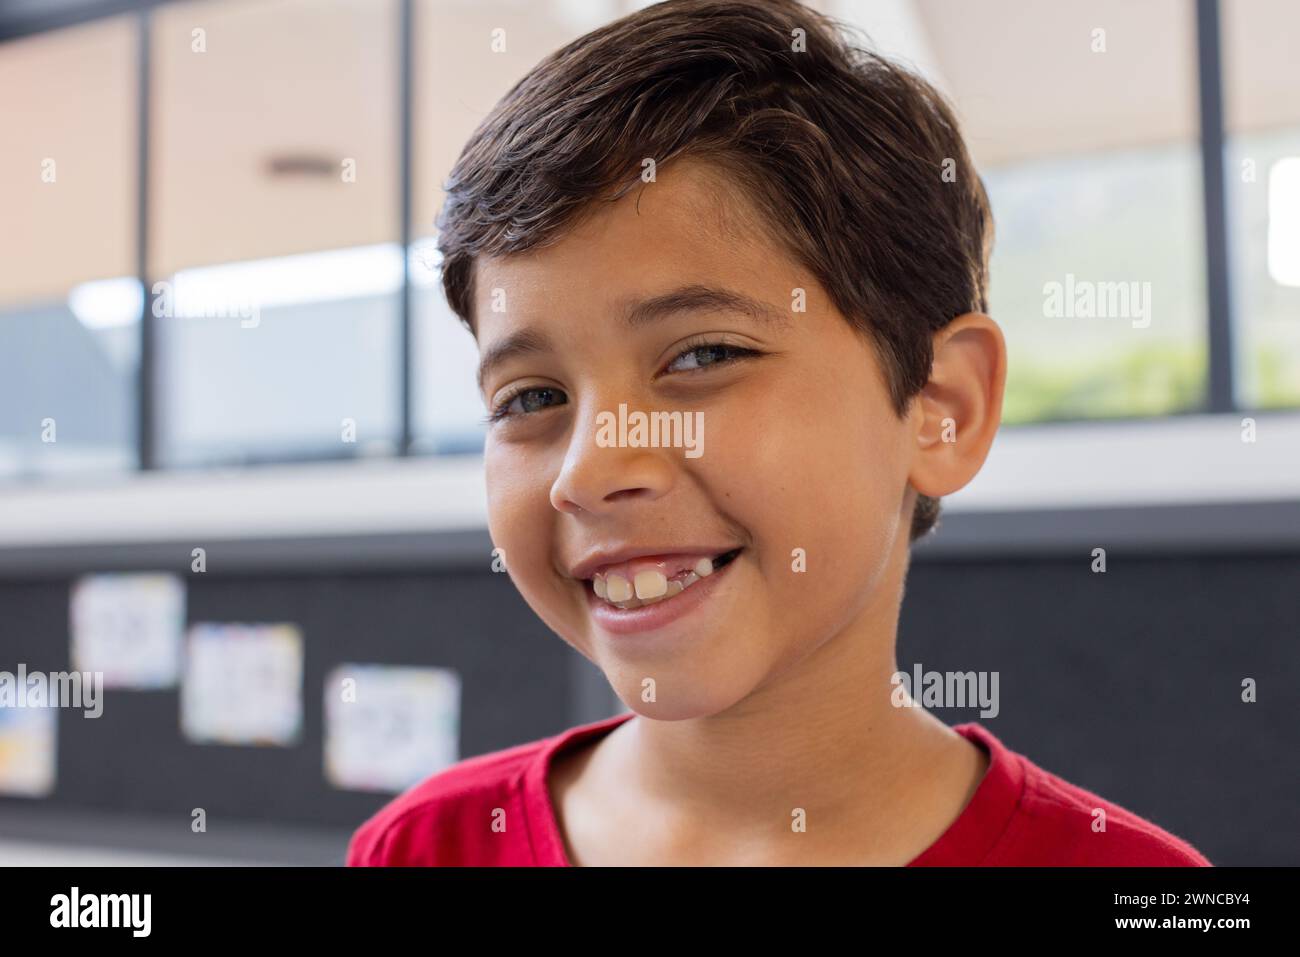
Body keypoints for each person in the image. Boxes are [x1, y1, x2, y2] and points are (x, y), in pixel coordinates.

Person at [348, 0, 1209, 866]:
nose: (590, 468)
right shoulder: (423, 847)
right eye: (530, 398)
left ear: (942, 405)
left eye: (703, 353)